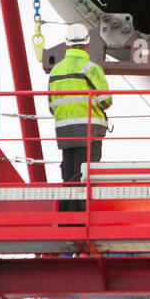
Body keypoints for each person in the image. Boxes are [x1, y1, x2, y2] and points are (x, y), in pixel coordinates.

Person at [48, 22, 111, 212]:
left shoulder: (55, 71)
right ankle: (80, 216)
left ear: (66, 45)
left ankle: (65, 214)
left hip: (65, 131)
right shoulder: (90, 68)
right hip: (89, 130)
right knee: (85, 175)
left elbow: (52, 105)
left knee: (68, 174)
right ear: (86, 44)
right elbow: (106, 100)